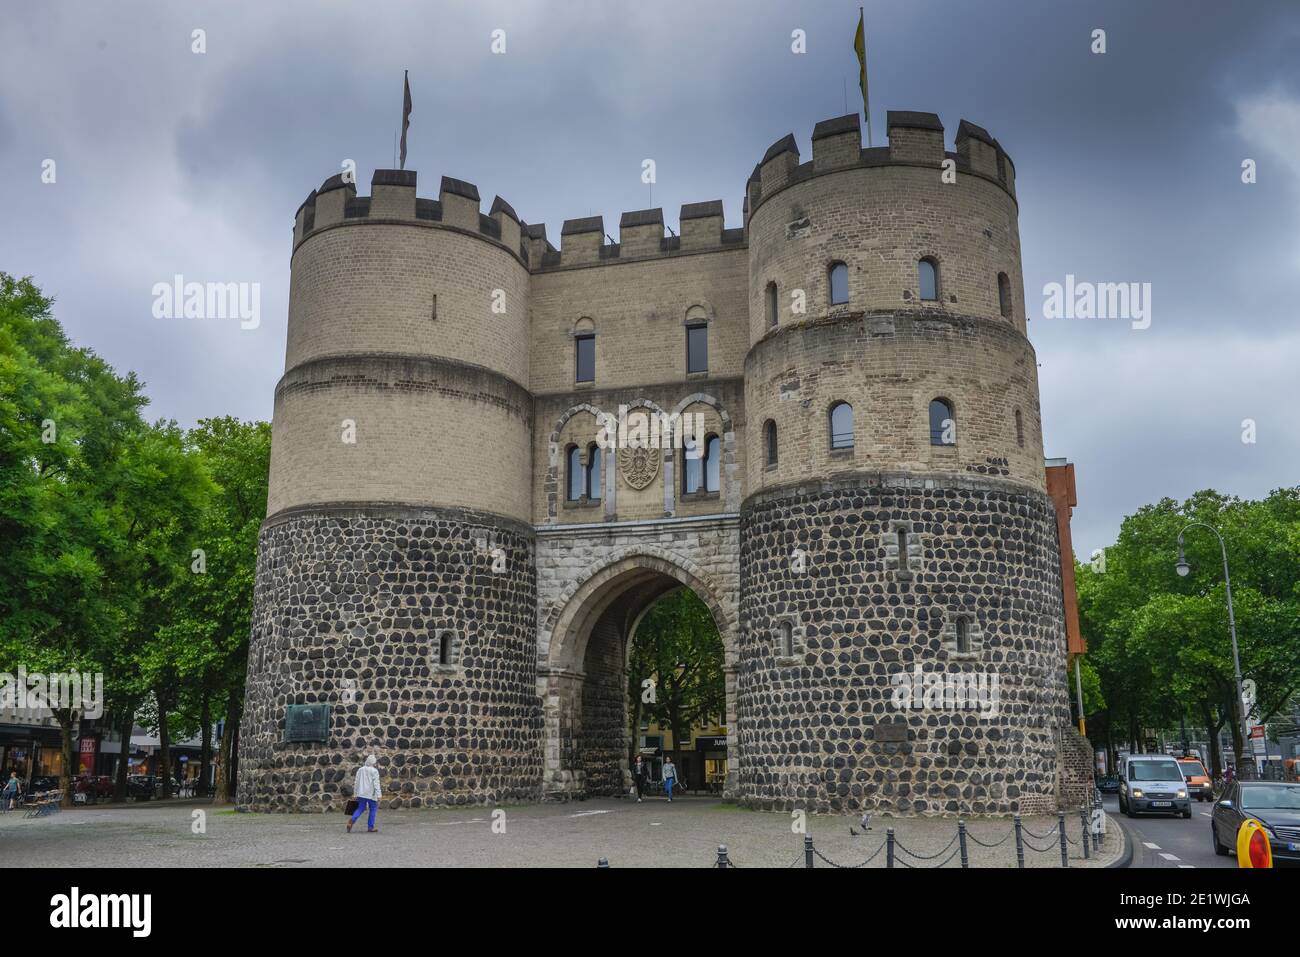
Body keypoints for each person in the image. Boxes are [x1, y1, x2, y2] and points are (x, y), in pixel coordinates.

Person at [348, 755, 381, 833]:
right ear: (373, 762)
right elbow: (376, 783)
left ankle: (352, 820)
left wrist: (355, 793)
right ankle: (370, 827)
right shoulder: (374, 771)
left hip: (361, 793)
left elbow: (356, 782)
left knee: (360, 808)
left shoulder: (360, 770)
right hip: (371, 794)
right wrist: (379, 795)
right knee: (373, 809)